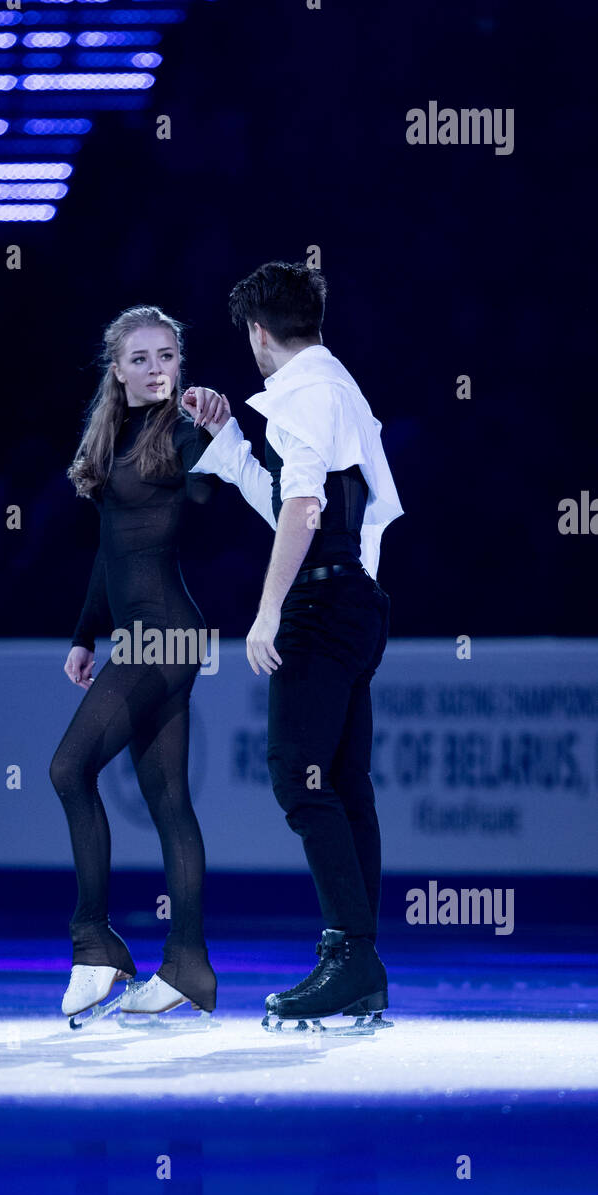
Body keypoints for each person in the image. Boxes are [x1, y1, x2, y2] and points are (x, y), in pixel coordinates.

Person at [184, 261, 404, 1030]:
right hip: (352, 597)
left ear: (257, 332)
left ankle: (351, 956)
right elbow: (289, 498)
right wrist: (226, 436)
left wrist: (269, 610)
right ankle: (360, 964)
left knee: (298, 775)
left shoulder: (303, 392)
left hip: (322, 600)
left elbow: (304, 509)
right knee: (343, 782)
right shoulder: (333, 383)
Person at [50, 305, 226, 1024]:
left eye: (168, 356)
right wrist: (85, 633)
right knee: (169, 805)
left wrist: (214, 434)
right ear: (117, 370)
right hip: (143, 636)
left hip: (168, 636)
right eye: (143, 358)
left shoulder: (183, 430)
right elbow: (109, 552)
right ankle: (187, 967)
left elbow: (208, 491)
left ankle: (95, 946)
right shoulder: (114, 434)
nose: (158, 369)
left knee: (68, 769)